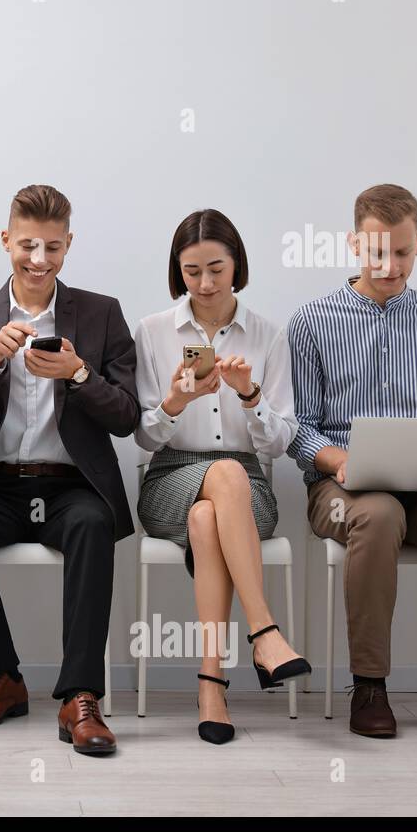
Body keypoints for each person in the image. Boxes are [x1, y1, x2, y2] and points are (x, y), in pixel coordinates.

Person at [0, 184, 140, 757]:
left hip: (72, 484)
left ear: (69, 244)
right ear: (6, 241)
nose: (39, 260)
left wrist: (78, 374)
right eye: (28, 245)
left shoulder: (101, 314)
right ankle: (4, 679)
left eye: (52, 247)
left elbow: (126, 417)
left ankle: (79, 697)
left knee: (93, 527)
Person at [288, 183, 417, 740]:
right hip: (341, 490)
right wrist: (337, 458)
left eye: (402, 252)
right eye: (377, 251)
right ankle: (369, 685)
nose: (390, 265)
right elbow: (296, 428)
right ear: (354, 243)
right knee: (376, 514)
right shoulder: (311, 321)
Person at [133, 209, 311, 745]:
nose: (205, 284)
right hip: (170, 475)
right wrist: (175, 400)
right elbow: (142, 438)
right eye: (191, 272)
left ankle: (212, 682)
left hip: (248, 483)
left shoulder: (268, 335)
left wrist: (250, 397)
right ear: (177, 272)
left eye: (217, 268)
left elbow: (282, 441)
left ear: (237, 265)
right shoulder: (153, 331)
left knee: (215, 506)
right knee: (218, 482)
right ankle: (265, 633)